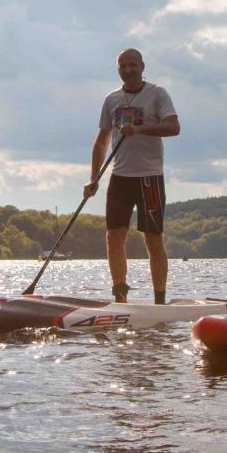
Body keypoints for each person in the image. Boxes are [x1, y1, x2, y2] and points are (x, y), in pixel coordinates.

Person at [83, 48, 179, 304]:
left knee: (153, 238)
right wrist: (93, 178)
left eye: (132, 65)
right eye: (123, 66)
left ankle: (160, 300)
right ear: (118, 69)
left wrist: (140, 129)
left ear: (142, 66)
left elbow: (173, 127)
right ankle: (120, 296)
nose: (128, 70)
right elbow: (101, 141)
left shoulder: (157, 94)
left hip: (149, 177)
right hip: (120, 177)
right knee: (114, 236)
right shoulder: (111, 99)